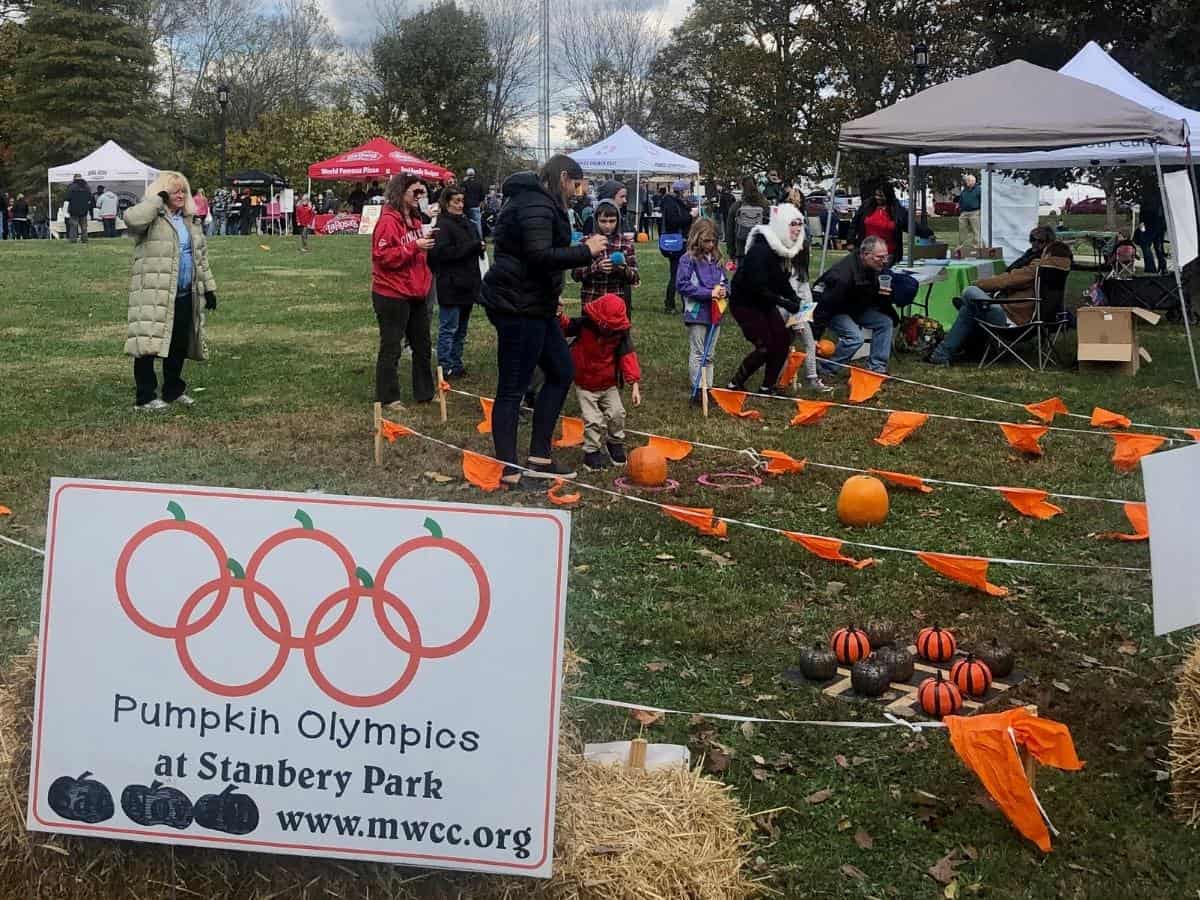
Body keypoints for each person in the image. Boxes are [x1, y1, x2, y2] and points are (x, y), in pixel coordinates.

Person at [481, 154, 608, 486]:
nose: (579, 192)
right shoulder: (535, 202)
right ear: (564, 177)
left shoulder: (538, 201)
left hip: (536, 304)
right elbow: (539, 257)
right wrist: (586, 251)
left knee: (561, 370)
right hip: (518, 306)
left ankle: (539, 457)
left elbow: (538, 252)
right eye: (577, 184)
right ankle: (509, 469)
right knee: (512, 386)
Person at [123, 171, 218, 412]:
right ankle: (145, 397)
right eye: (174, 190)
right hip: (155, 294)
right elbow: (131, 219)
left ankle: (173, 391)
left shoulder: (190, 221)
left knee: (178, 345)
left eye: (183, 190)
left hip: (185, 294)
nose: (181, 194)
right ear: (163, 192)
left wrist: (209, 288)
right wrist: (156, 200)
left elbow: (200, 258)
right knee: (147, 346)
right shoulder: (152, 216)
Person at [923, 228, 1072, 366]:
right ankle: (943, 353)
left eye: (1040, 241)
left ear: (1048, 249)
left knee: (970, 292)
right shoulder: (1058, 270)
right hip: (1030, 318)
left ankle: (945, 350)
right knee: (970, 309)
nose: (1035, 244)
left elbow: (1009, 279)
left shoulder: (1037, 267)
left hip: (1012, 320)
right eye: (1032, 240)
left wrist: (978, 284)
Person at [726, 202, 807, 394]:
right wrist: (784, 302)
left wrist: (793, 297)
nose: (797, 228)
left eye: (799, 223)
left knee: (782, 341)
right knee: (765, 346)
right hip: (745, 303)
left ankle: (767, 386)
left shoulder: (780, 249)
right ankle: (735, 384)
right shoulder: (760, 251)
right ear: (781, 226)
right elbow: (757, 287)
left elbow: (779, 279)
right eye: (792, 224)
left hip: (764, 301)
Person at [372, 174, 436, 410]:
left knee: (422, 344)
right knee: (391, 345)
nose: (420, 197)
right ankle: (388, 397)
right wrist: (413, 247)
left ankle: (425, 393)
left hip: (416, 290)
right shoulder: (388, 221)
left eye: (422, 192)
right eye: (415, 192)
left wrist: (426, 242)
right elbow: (382, 257)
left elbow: (418, 252)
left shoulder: (416, 220)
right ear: (401, 192)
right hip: (391, 292)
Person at [560, 292, 642, 471]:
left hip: (608, 383)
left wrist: (634, 384)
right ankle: (592, 453)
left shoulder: (620, 334)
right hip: (585, 384)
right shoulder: (584, 325)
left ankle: (615, 443)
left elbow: (628, 356)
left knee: (617, 414)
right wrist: (559, 315)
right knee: (593, 420)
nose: (608, 330)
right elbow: (565, 326)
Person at [811, 235, 896, 375]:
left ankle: (877, 368)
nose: (884, 261)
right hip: (834, 309)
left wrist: (884, 296)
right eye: (880, 257)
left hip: (854, 305)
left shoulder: (873, 266)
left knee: (885, 322)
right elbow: (824, 307)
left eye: (886, 257)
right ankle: (827, 368)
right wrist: (815, 337)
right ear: (865, 254)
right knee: (855, 338)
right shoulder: (842, 276)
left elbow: (869, 292)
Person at [428, 184, 483, 379]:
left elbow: (474, 244)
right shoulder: (441, 225)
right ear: (447, 203)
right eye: (456, 201)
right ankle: (445, 365)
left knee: (461, 330)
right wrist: (471, 247)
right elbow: (440, 254)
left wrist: (478, 247)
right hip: (450, 284)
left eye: (462, 201)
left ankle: (456, 362)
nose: (460, 205)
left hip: (468, 283)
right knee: (449, 328)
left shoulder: (467, 222)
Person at [676, 217, 728, 401]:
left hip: (715, 312)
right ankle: (698, 388)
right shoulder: (687, 259)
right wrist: (708, 293)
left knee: (710, 353)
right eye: (706, 240)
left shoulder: (716, 259)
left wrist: (724, 290)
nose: (710, 244)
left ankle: (709, 388)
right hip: (697, 311)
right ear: (697, 238)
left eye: (713, 240)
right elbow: (682, 285)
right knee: (699, 351)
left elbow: (725, 281)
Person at [571, 199, 639, 312]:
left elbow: (635, 278)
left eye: (612, 221)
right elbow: (575, 275)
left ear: (618, 220)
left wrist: (622, 269)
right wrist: (596, 267)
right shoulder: (586, 242)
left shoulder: (626, 243)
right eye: (603, 221)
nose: (608, 225)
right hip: (592, 301)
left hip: (616, 304)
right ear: (596, 220)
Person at [848, 179, 932, 260]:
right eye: (876, 195)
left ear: (888, 195)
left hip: (888, 254)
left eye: (881, 196)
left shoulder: (897, 210)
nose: (878, 198)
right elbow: (854, 224)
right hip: (866, 252)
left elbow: (911, 225)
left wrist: (928, 233)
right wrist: (850, 241)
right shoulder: (867, 206)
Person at [660, 179, 694, 313]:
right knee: (677, 274)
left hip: (681, 241)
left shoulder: (676, 202)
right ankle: (671, 304)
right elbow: (674, 222)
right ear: (682, 191)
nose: (688, 193)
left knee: (679, 273)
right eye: (686, 191)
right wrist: (691, 216)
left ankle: (675, 303)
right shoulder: (671, 203)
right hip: (677, 243)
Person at [726, 176, 771, 264]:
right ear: (756, 185)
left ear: (742, 187)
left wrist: (731, 253)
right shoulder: (765, 205)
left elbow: (729, 232)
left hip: (741, 250)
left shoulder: (736, 206)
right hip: (760, 249)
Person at [1135, 188, 1168, 274]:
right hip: (1160, 225)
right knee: (1158, 247)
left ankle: (1151, 268)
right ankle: (1163, 267)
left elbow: (1143, 216)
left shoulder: (1147, 200)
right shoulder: (1161, 198)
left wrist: (1142, 229)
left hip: (1148, 225)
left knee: (1145, 245)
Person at [957, 173, 981, 254]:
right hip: (964, 212)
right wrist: (960, 209)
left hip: (975, 212)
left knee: (976, 230)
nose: (967, 182)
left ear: (973, 181)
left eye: (968, 180)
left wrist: (980, 211)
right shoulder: (964, 190)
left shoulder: (979, 189)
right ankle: (960, 246)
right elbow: (961, 200)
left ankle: (976, 247)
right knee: (962, 229)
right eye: (966, 180)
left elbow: (982, 201)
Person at [66, 173, 91, 242]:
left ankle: (73, 239)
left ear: (74, 178)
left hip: (74, 209)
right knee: (84, 226)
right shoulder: (87, 186)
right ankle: (85, 239)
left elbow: (67, 198)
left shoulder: (71, 186)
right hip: (84, 209)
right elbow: (89, 198)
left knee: (74, 225)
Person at [462, 168, 486, 236]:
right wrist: (480, 202)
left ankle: (469, 238)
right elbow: (482, 195)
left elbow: (462, 193)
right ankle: (480, 239)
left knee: (467, 223)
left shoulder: (464, 183)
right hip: (476, 206)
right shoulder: (479, 183)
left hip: (467, 207)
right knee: (478, 223)